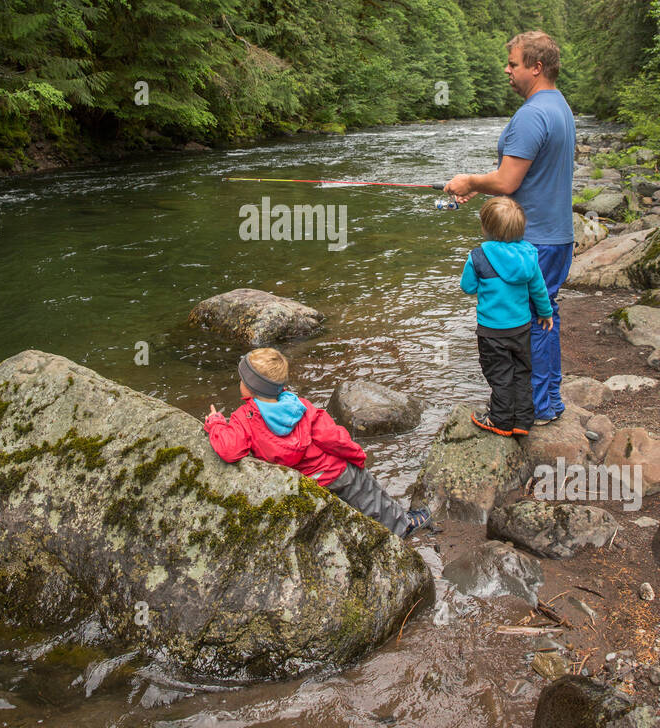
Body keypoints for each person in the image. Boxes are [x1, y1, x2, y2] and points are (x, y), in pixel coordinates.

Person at [443, 31, 575, 425]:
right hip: (558, 235)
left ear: (536, 68)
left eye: (514, 63)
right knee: (545, 315)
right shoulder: (560, 106)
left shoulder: (532, 114)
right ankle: (549, 401)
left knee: (530, 323)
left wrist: (469, 181)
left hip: (534, 238)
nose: (508, 70)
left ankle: (530, 409)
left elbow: (506, 182)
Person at [203, 348, 431, 539]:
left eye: (242, 379)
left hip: (304, 483)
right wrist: (357, 456)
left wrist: (215, 423)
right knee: (367, 488)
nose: (240, 381)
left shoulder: (243, 419)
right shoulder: (299, 406)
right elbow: (333, 438)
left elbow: (230, 449)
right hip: (333, 472)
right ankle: (403, 525)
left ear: (251, 387)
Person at [460, 196, 553, 436]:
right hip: (521, 328)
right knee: (521, 371)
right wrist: (545, 313)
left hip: (492, 331)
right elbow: (539, 290)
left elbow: (467, 287)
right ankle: (523, 421)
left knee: (499, 373)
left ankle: (500, 420)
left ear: (486, 228)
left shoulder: (478, 256)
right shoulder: (529, 254)